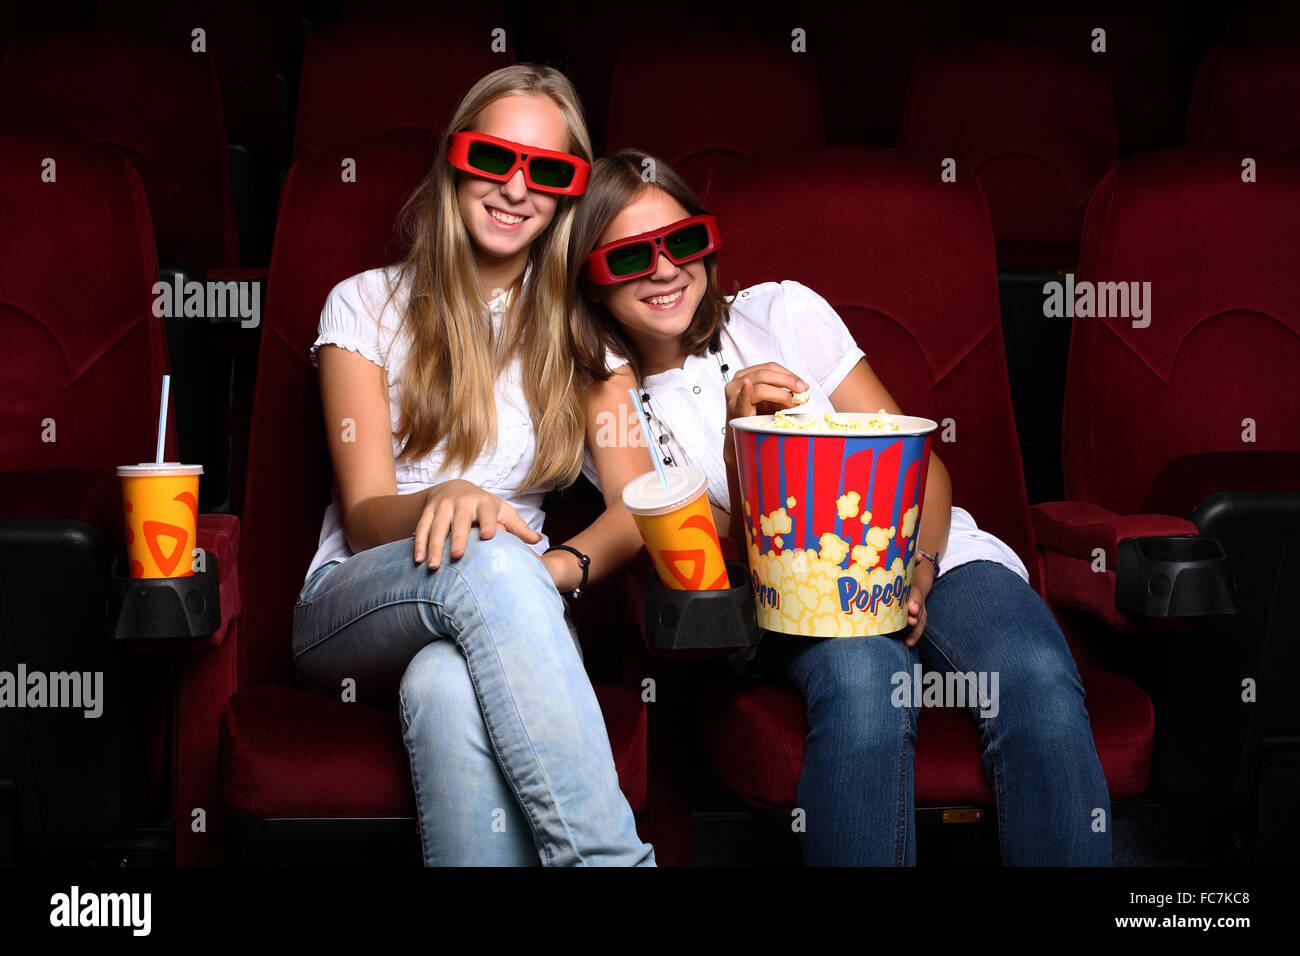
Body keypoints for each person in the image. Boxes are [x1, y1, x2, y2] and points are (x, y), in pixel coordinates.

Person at [558, 150, 1110, 866]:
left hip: (933, 553)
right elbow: (712, 552)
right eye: (631, 256)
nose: (665, 270)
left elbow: (922, 466)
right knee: (869, 683)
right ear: (592, 279)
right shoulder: (608, 401)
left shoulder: (781, 313)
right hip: (791, 599)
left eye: (683, 241)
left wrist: (919, 567)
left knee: (1035, 670)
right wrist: (738, 449)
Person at [290, 66, 654, 867]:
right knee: (483, 555)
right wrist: (448, 502)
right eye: (495, 158)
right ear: (456, 160)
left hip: (507, 600)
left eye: (548, 173)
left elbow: (638, 509)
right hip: (357, 598)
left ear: (566, 197)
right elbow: (364, 512)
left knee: (445, 685)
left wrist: (548, 572)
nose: (517, 188)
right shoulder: (364, 304)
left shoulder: (585, 337)